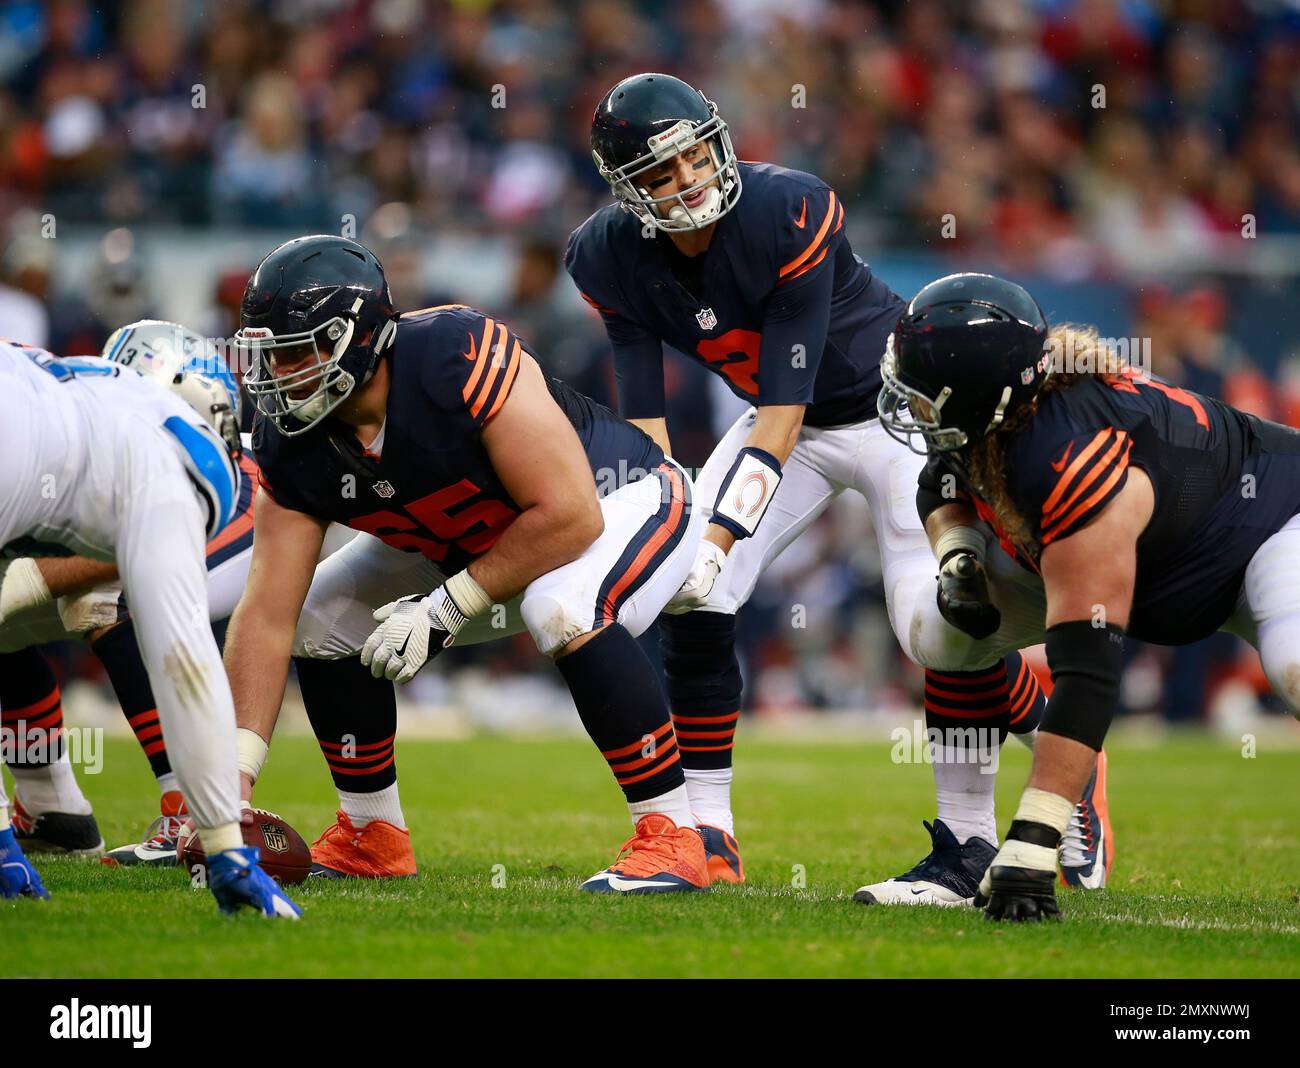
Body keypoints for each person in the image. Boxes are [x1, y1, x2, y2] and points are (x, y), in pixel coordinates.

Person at [564, 73, 1098, 900]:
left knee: (942, 633)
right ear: (628, 190)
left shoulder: (790, 209)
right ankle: (708, 834)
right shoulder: (605, 255)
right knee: (693, 599)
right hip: (787, 428)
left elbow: (784, 406)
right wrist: (675, 530)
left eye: (698, 154)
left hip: (895, 417)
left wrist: (715, 538)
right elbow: (648, 423)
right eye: (664, 172)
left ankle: (997, 812)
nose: (692, 179)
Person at [226, 234, 712, 893]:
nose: (277, 376)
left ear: (359, 337)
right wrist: (230, 781)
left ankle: (673, 837)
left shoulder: (451, 356)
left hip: (623, 498)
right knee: (321, 619)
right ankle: (372, 835)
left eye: (294, 353)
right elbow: (265, 615)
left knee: (560, 606)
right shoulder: (291, 440)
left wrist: (443, 608)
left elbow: (570, 515)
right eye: (269, 355)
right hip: (472, 545)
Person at [878, 271, 1300, 920]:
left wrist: (1035, 837)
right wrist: (959, 557)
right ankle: (965, 847)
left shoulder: (1069, 458)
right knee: (947, 631)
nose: (907, 407)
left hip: (1268, 525)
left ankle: (1065, 801)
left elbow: (1090, 669)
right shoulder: (999, 411)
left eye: (921, 395)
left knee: (1293, 665)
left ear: (974, 395)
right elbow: (941, 484)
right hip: (1166, 558)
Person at [0, 320, 354, 866]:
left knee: (110, 595)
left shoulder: (168, 452)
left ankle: (183, 809)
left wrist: (19, 586)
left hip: (246, 528)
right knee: (13, 626)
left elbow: (118, 554)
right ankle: (50, 802)